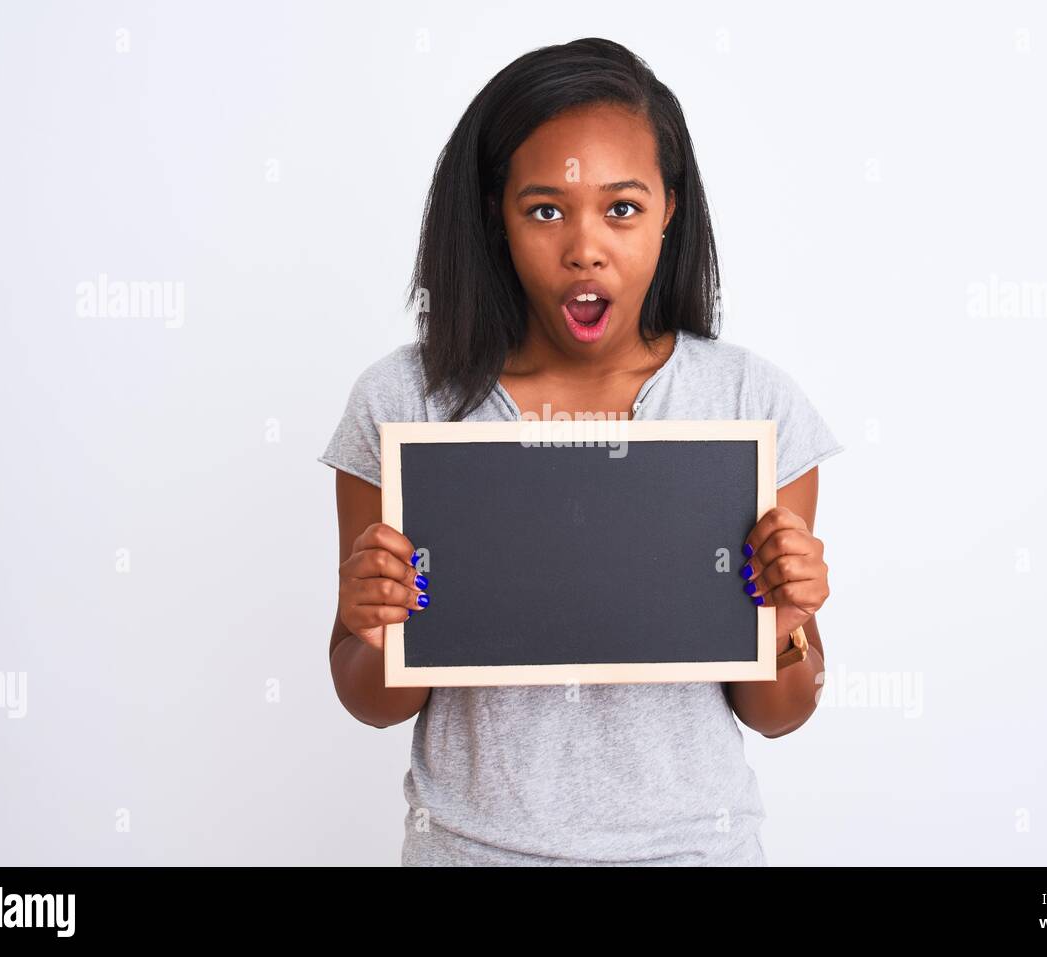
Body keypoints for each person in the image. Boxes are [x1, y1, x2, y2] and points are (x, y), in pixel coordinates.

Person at [318, 37, 845, 866]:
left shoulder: (751, 404)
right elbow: (371, 696)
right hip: (471, 851)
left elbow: (777, 709)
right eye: (545, 209)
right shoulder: (400, 405)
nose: (585, 248)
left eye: (623, 208)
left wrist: (789, 622)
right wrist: (368, 619)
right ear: (497, 213)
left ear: (671, 206)